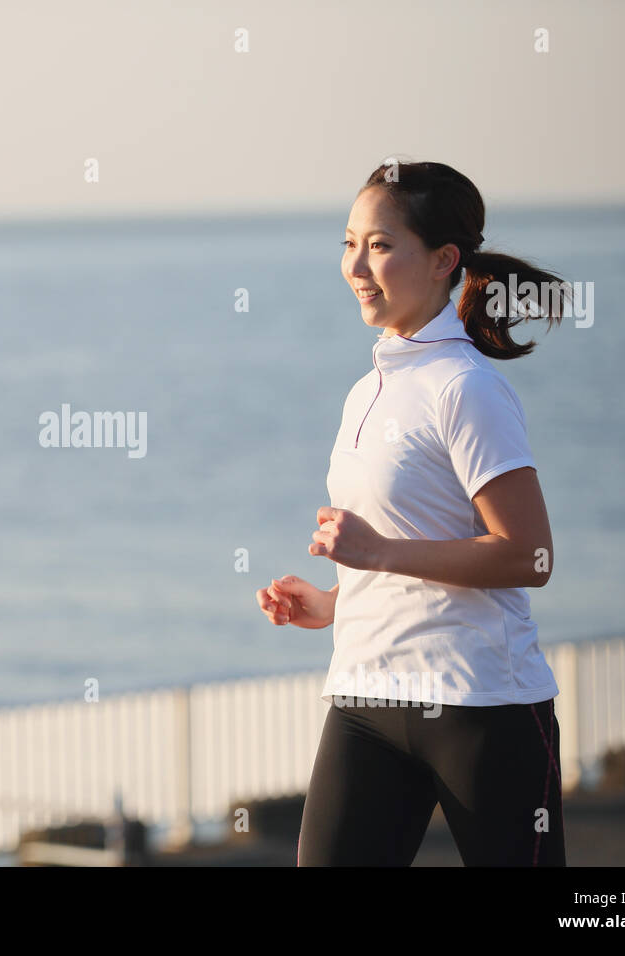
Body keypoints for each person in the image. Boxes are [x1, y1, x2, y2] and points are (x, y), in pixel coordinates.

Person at [256, 161, 569, 866]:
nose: (357, 266)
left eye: (380, 245)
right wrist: (338, 602)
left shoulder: (467, 389)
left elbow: (529, 555)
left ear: (443, 261)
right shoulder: (366, 390)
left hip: (479, 706)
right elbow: (405, 544)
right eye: (348, 243)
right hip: (365, 699)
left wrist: (379, 555)